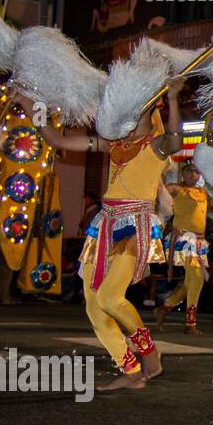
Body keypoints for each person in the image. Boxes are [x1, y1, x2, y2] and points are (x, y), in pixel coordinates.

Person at [41, 80, 186, 390]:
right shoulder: (113, 144)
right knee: (94, 306)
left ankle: (148, 351)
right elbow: (56, 138)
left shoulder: (156, 144)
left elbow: (176, 140)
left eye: (140, 110)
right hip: (104, 226)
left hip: (135, 226)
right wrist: (32, 106)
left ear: (150, 112)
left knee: (110, 297)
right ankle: (130, 369)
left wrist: (173, 98)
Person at [156, 160, 213, 335]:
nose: (194, 175)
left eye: (197, 172)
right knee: (197, 277)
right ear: (183, 173)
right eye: (190, 171)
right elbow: (159, 200)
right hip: (182, 238)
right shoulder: (175, 188)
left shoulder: (203, 193)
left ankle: (165, 307)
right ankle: (190, 323)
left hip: (199, 241)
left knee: (191, 281)